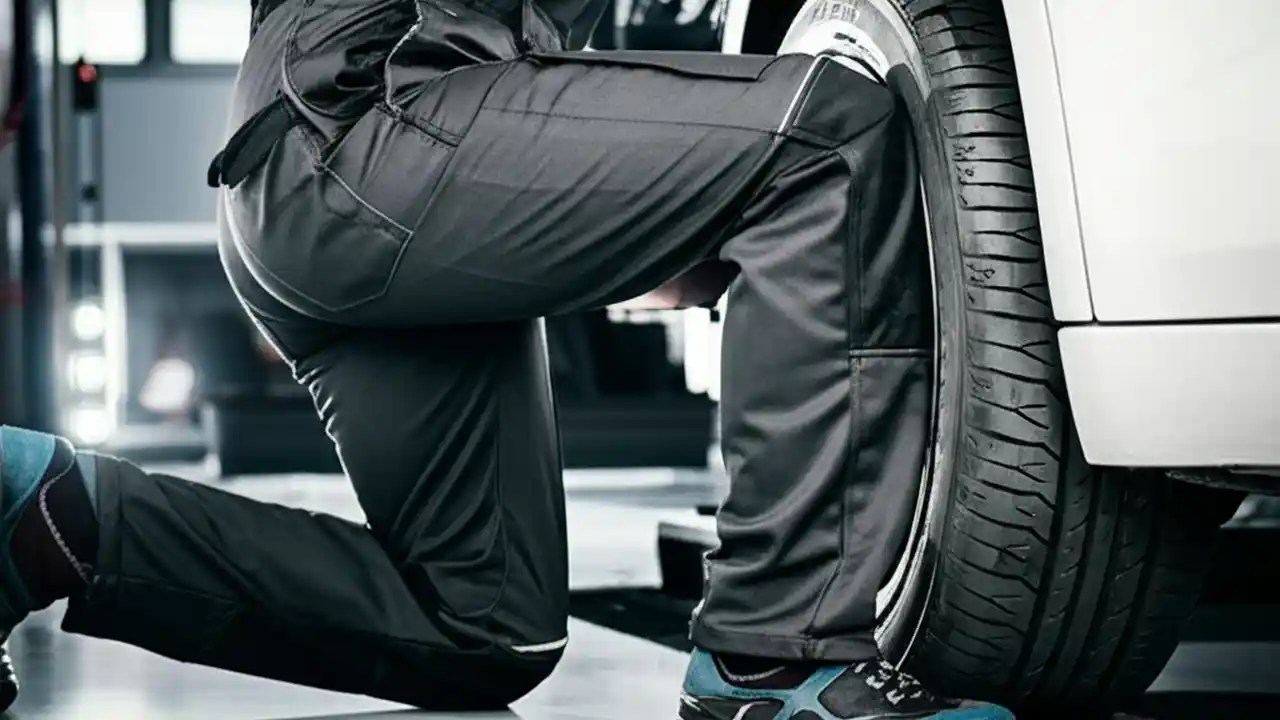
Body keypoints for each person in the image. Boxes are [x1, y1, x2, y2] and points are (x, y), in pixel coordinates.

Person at [0, 0, 1014, 718]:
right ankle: (770, 659)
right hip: (372, 125)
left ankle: (41, 514)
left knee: (482, 631)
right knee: (826, 136)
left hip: (326, 168)